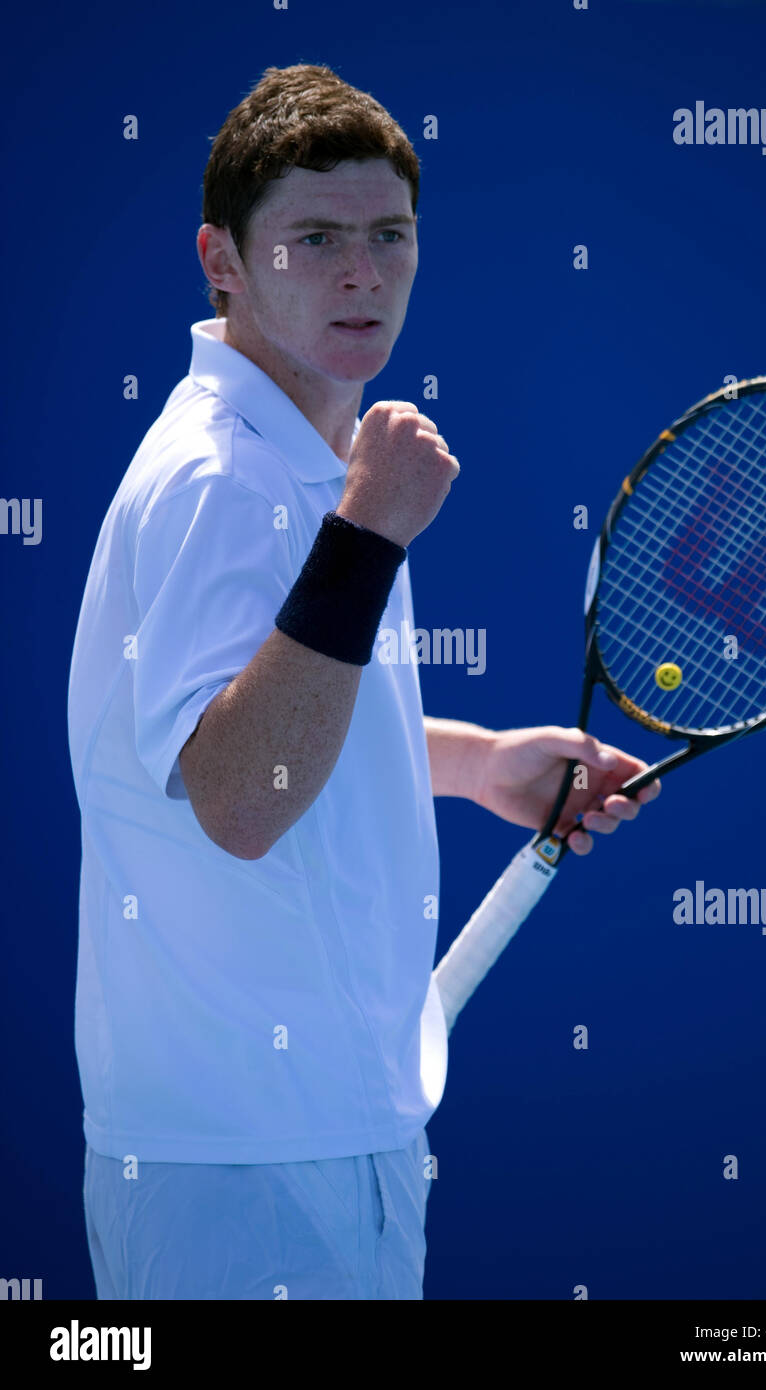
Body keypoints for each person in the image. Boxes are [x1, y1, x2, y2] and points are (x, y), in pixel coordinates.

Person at [66, 62, 660, 1301]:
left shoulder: (305, 454)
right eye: (315, 239)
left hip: (307, 1145)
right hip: (248, 1181)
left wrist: (475, 761)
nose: (361, 272)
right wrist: (366, 538)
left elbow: (275, 723)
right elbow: (241, 798)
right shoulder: (226, 479)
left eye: (389, 236)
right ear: (221, 261)